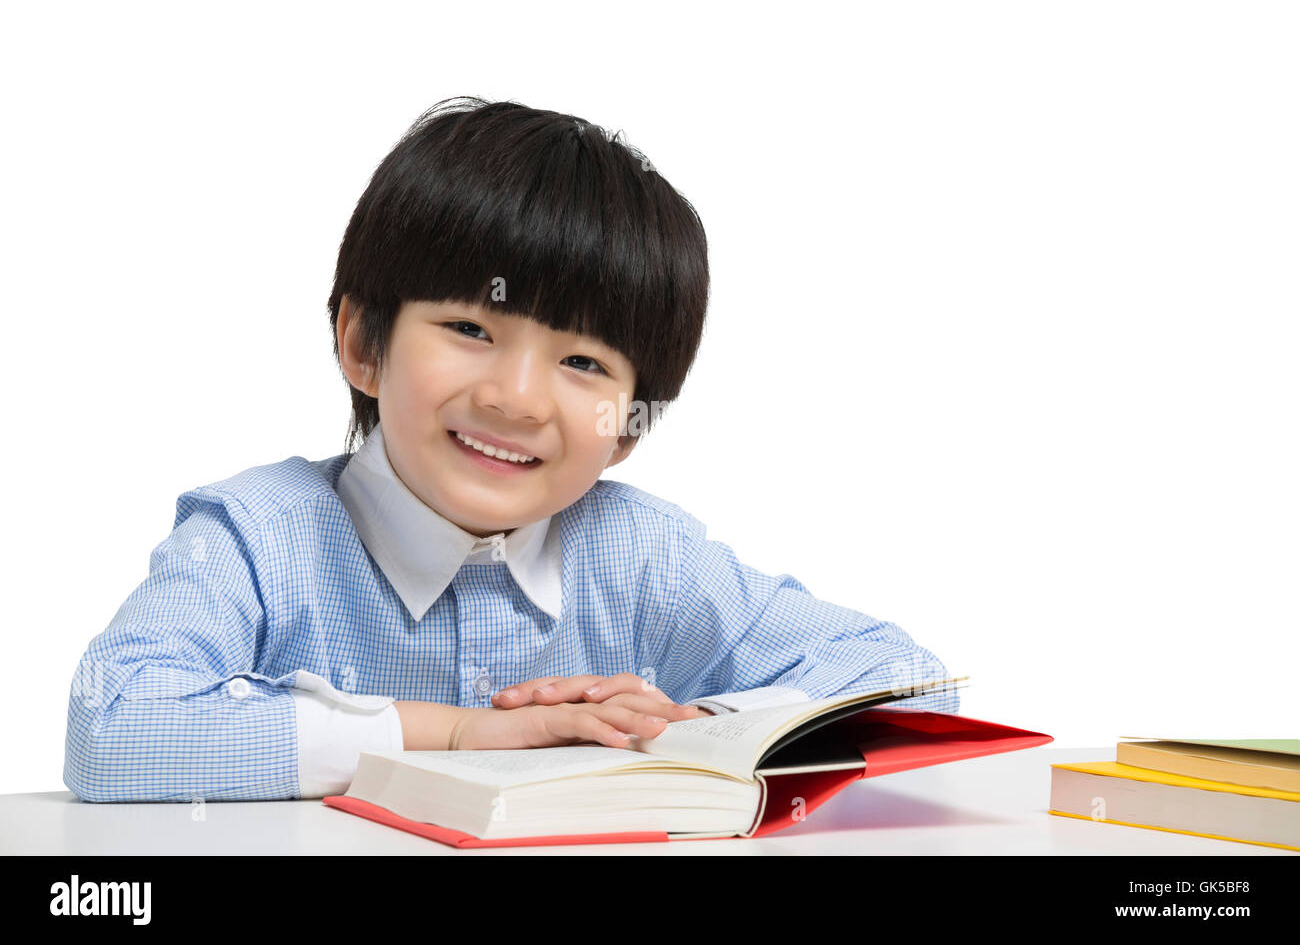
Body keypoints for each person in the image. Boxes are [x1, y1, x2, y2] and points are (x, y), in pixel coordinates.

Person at [63, 97, 959, 803]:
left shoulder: (644, 557)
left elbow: (910, 680)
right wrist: (452, 734)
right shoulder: (261, 537)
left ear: (630, 425)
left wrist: (688, 728)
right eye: (468, 327)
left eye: (581, 361)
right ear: (362, 343)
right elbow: (113, 725)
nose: (515, 398)